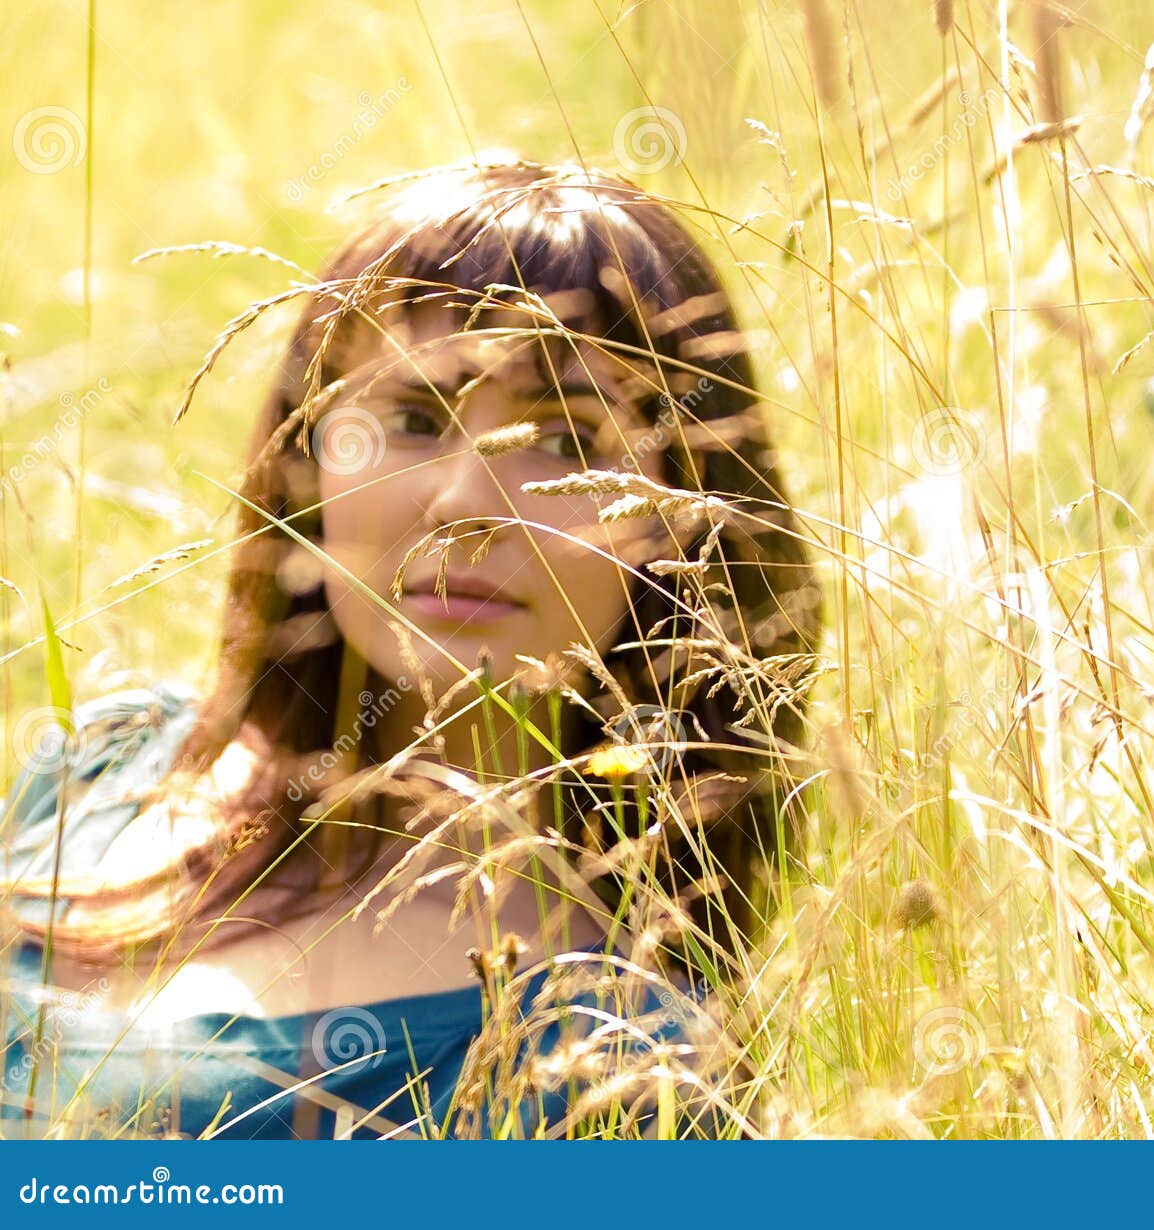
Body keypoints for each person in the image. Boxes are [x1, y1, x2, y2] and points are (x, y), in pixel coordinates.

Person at [0, 159, 820, 1139]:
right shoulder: (103, 762)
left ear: (681, 521)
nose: (464, 502)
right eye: (415, 418)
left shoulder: (623, 1060)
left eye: (567, 441)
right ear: (306, 462)